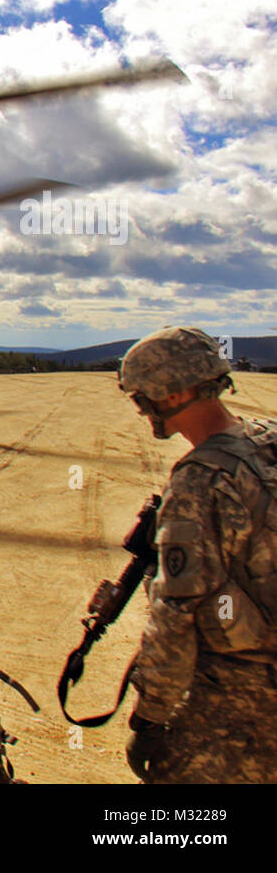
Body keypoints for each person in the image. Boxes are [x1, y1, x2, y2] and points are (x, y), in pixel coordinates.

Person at [118, 326, 277, 783]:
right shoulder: (267, 443)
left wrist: (150, 717)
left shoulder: (200, 480)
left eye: (142, 397)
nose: (142, 409)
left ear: (174, 393)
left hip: (240, 705)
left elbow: (177, 612)